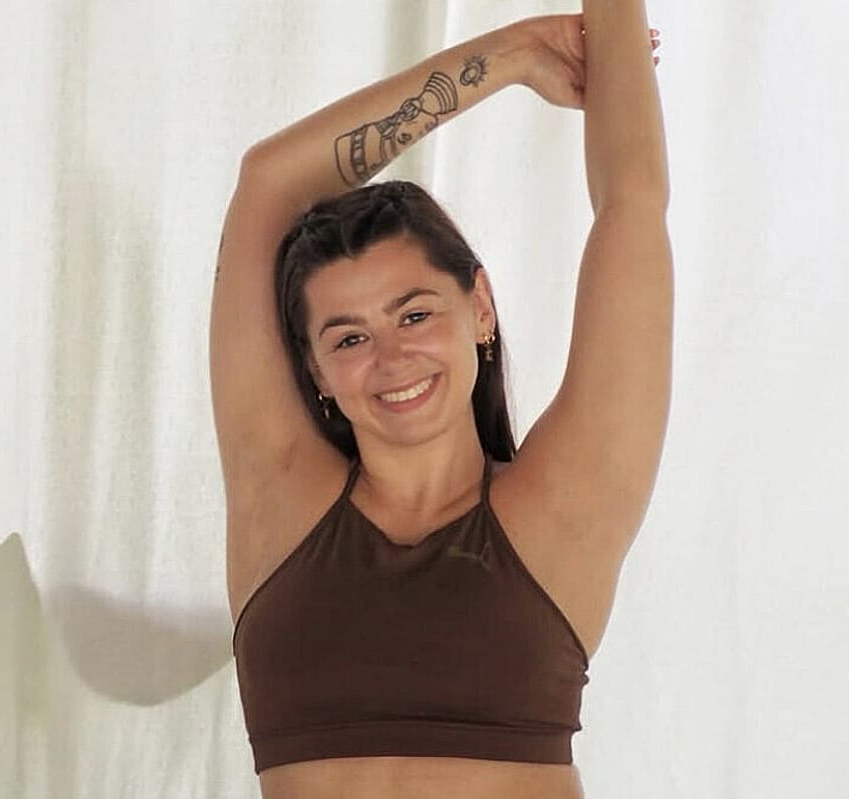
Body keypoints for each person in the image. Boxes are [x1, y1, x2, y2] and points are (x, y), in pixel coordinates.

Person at [209, 3, 670, 797]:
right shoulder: (277, 496)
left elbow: (631, 205)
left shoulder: (562, 510)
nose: (391, 358)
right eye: (348, 337)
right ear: (315, 371)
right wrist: (516, 53)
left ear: (480, 309)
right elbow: (269, 180)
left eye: (415, 313)